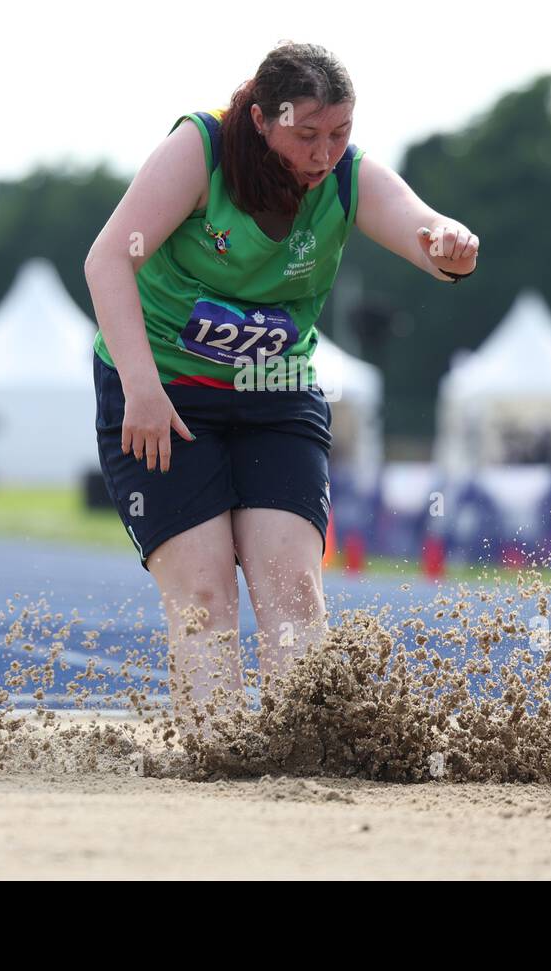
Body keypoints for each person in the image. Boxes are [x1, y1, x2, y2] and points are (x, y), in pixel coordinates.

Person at [84, 41, 479, 732]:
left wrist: (448, 241)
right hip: (165, 393)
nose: (324, 153)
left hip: (276, 395)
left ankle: (305, 749)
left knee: (293, 594)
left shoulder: (345, 176)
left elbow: (422, 230)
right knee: (204, 593)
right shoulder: (199, 150)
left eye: (340, 133)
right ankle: (218, 749)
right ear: (264, 120)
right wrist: (143, 389)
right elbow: (108, 257)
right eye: (306, 136)